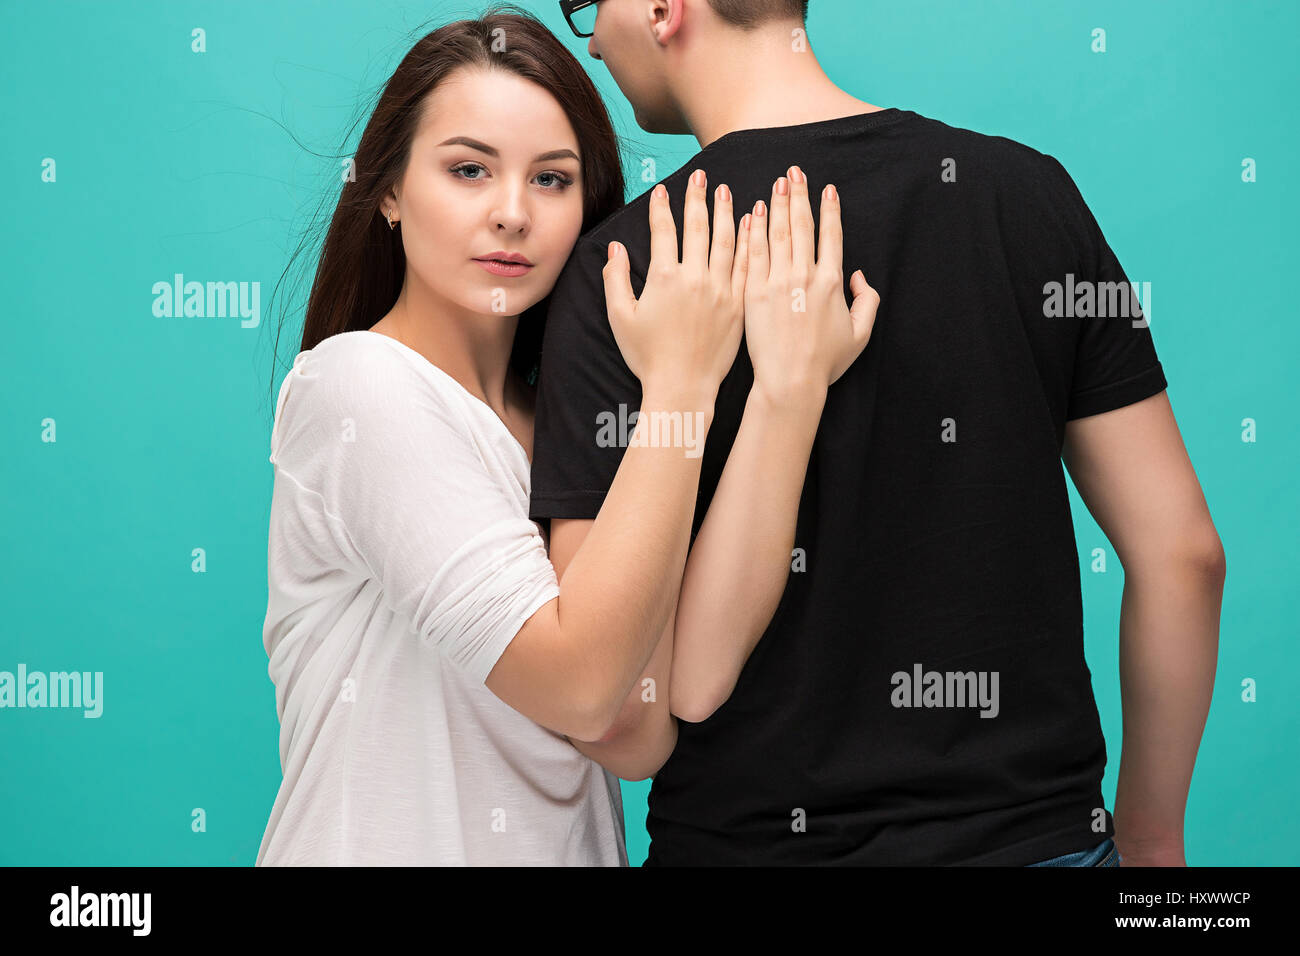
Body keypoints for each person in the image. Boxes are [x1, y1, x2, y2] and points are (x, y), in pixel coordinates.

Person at [535, 0, 1225, 866]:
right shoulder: (1029, 196)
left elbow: (626, 687)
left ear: (665, 9)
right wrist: (1153, 840)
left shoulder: (628, 275)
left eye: (590, 5)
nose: (591, 37)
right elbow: (1185, 557)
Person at [256, 9, 876, 865]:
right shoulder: (358, 388)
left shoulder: (572, 426)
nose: (512, 214)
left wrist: (785, 389)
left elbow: (641, 726)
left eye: (552, 179)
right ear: (389, 190)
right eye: (468, 169)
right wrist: (683, 384)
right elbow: (585, 688)